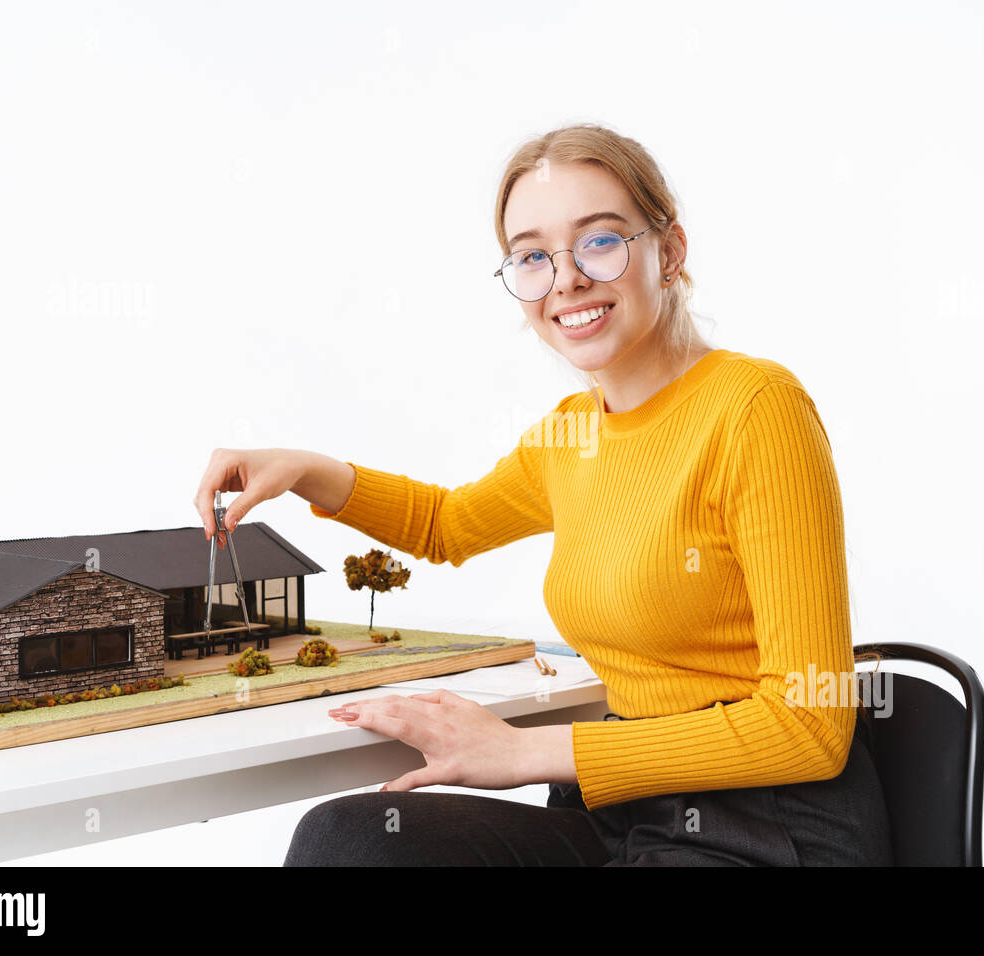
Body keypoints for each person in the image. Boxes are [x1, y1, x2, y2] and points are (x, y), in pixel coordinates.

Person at [193, 122, 893, 866]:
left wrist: (521, 753)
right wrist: (305, 468)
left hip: (766, 829)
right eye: (533, 256)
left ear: (671, 252)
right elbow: (446, 523)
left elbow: (808, 726)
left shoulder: (756, 409)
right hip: (618, 815)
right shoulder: (570, 437)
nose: (566, 281)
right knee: (348, 842)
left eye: (599, 240)